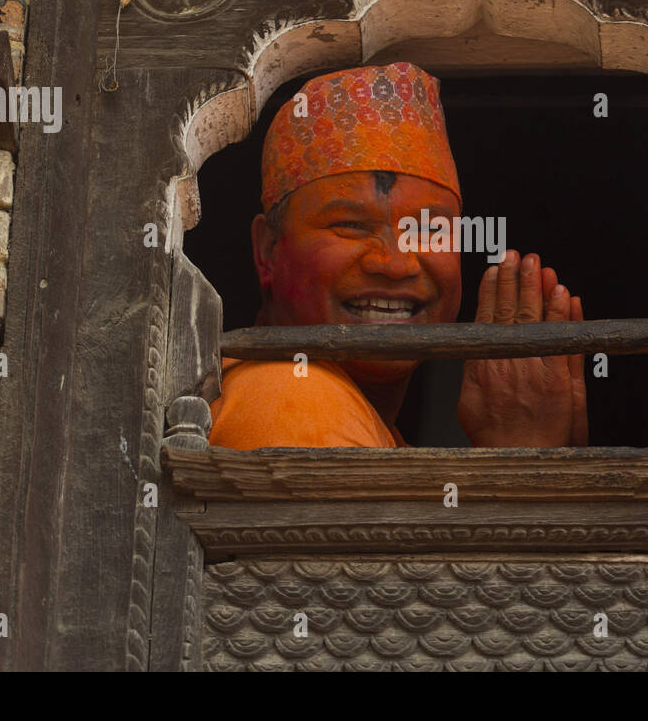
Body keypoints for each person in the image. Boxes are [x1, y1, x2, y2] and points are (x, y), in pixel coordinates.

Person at [208, 61, 587, 449]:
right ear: (268, 249)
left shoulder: (361, 418)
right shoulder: (293, 397)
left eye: (428, 230)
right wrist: (523, 450)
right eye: (351, 226)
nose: (395, 263)